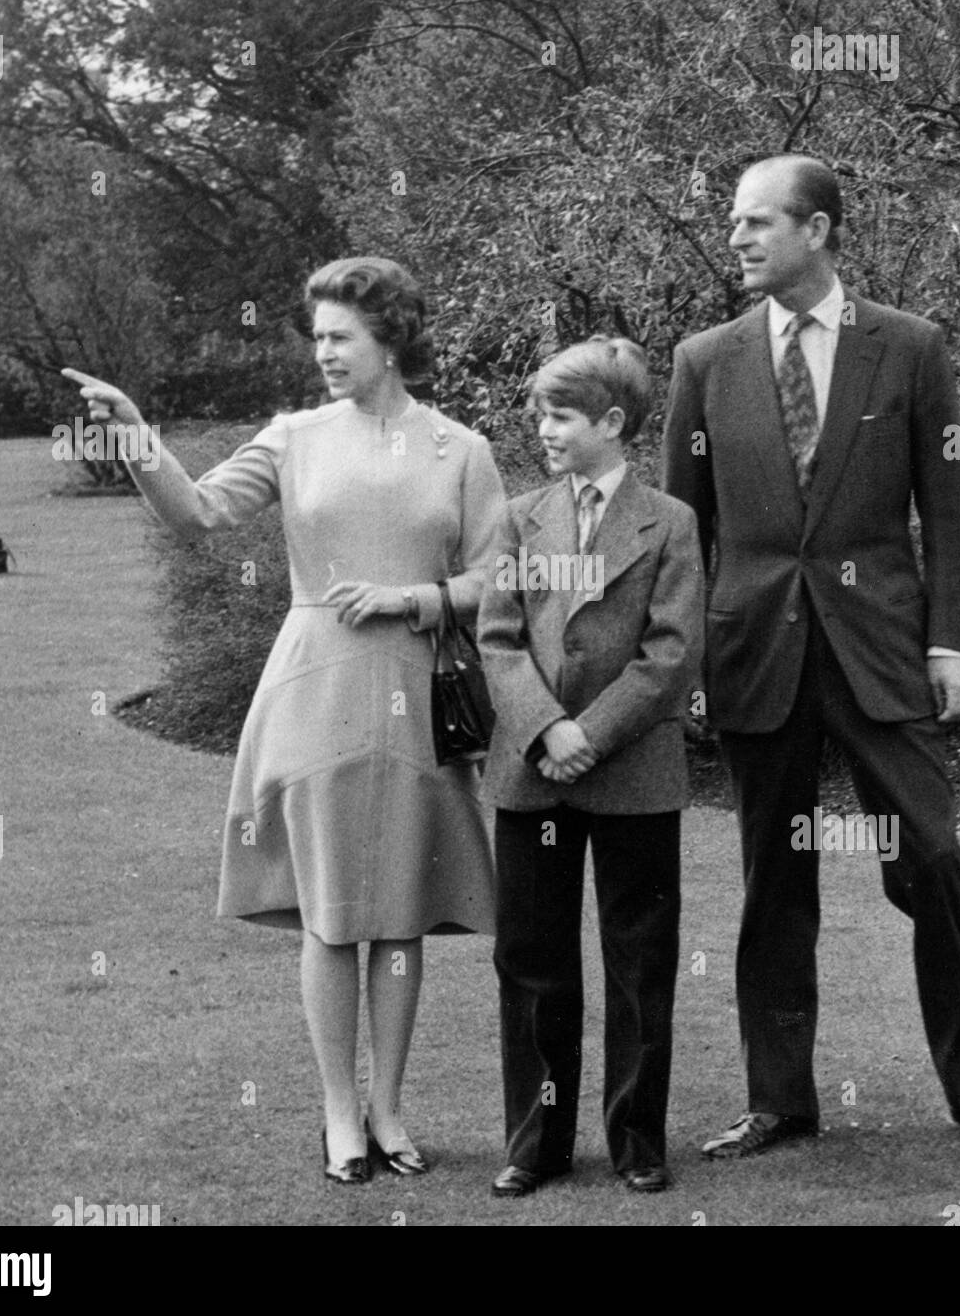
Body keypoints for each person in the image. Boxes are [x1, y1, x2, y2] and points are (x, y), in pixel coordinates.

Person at [64, 258, 505, 1184]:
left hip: (416, 694)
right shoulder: (296, 435)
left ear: (391, 341)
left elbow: (497, 580)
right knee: (333, 912)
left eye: (342, 337)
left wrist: (412, 599)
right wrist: (138, 436)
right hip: (315, 688)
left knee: (401, 917)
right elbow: (198, 513)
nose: (326, 354)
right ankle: (339, 1118)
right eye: (318, 339)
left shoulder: (459, 449)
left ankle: (388, 1108)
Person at [661, 155, 960, 1158]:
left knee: (936, 863)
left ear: (817, 229)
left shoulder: (909, 348)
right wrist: (684, 662)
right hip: (753, 655)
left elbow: (945, 514)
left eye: (757, 222)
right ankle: (780, 1099)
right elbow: (677, 534)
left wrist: (949, 641)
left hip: (880, 652)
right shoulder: (704, 360)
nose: (737, 239)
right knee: (771, 883)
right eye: (735, 223)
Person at [477, 336, 704, 1197]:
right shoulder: (519, 515)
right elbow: (497, 638)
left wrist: (592, 733)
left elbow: (672, 654)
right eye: (538, 413)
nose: (543, 429)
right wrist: (544, 728)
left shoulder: (671, 523)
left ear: (613, 423)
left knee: (641, 958)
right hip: (531, 771)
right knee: (532, 959)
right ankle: (535, 1141)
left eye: (560, 415)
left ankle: (637, 1139)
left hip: (634, 772)